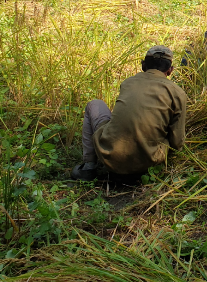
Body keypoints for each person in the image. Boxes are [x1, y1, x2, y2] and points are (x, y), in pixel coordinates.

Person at [71, 45, 188, 181]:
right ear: (170, 70)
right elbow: (177, 142)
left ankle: (89, 167)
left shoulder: (128, 82)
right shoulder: (177, 92)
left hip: (109, 156)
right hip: (148, 163)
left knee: (94, 104)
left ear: (143, 65)